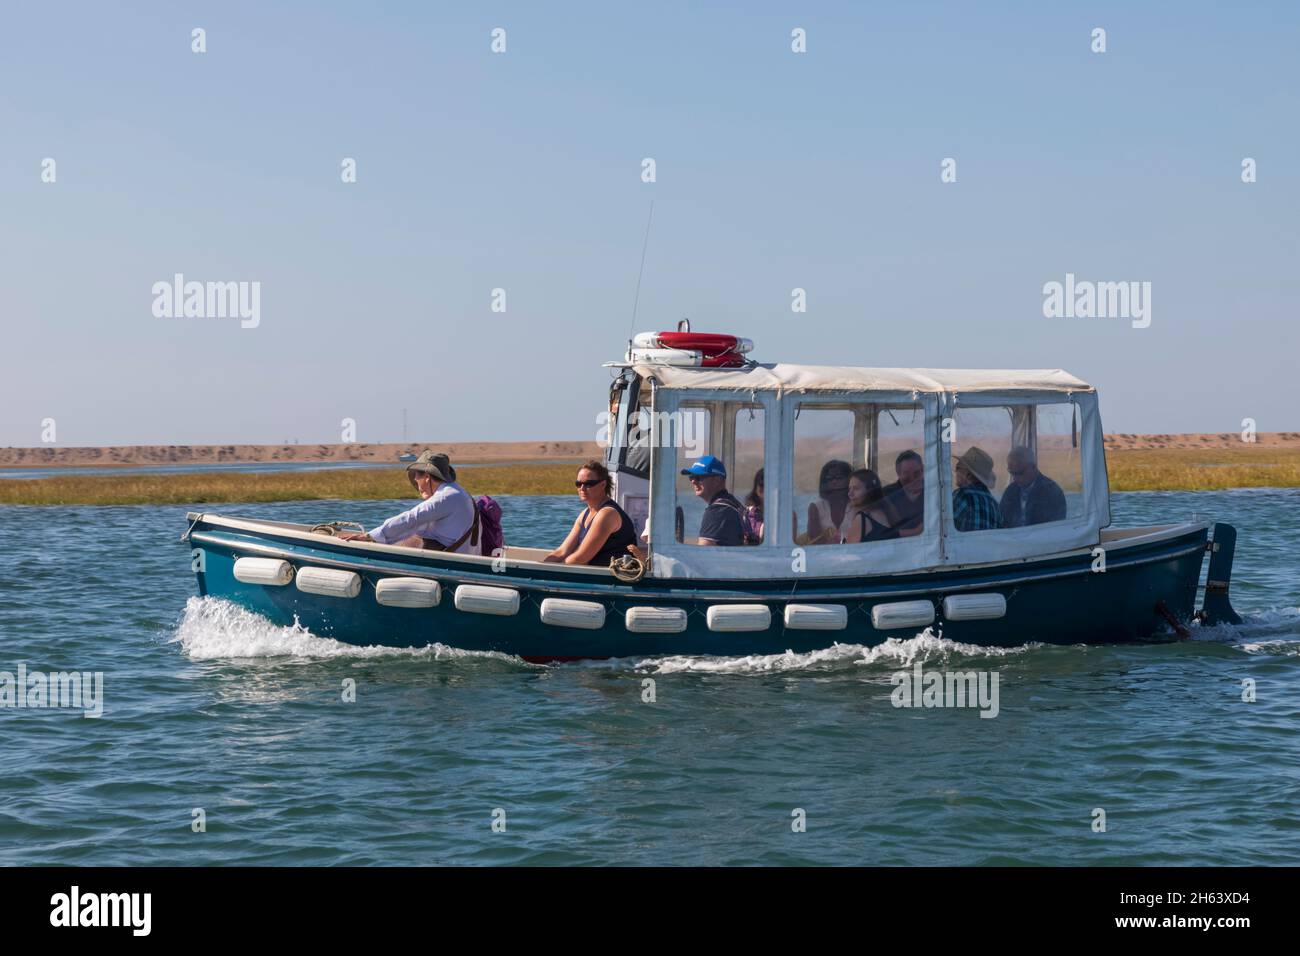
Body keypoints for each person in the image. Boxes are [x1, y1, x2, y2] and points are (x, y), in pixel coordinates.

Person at [340, 451, 478, 552]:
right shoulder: (456, 491)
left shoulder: (445, 497)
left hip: (444, 560)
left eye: (417, 475)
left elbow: (411, 518)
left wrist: (370, 536)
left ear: (427, 477)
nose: (416, 480)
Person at [545, 460, 638, 566]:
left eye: (589, 484)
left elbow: (581, 557)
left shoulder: (607, 514)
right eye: (578, 484)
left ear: (603, 484)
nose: (582, 488)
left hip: (613, 577)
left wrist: (553, 570)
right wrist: (542, 566)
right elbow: (562, 551)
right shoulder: (585, 514)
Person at [681, 455, 745, 546]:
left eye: (698, 477)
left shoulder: (717, 511)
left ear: (717, 480)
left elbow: (703, 554)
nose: (693, 481)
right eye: (691, 477)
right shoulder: (732, 503)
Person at [1000, 446, 1068, 527]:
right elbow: (1002, 522)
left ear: (1033, 467)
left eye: (1020, 473)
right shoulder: (1010, 491)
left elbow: (1055, 527)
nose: (1015, 478)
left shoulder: (1052, 492)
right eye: (1012, 473)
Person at [952, 447, 1004, 532]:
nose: (955, 471)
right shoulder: (995, 505)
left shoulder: (961, 496)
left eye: (958, 467)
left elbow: (941, 526)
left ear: (968, 475)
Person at [841, 468, 899, 543]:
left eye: (856, 488)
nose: (850, 494)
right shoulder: (889, 512)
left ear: (870, 490)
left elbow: (850, 552)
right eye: (849, 489)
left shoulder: (861, 519)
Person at [805, 459, 852, 545]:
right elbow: (815, 542)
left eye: (839, 478)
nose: (834, 482)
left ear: (850, 481)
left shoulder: (857, 506)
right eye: (829, 479)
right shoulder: (815, 508)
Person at [881, 450, 925, 537]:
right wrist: (916, 531)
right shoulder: (885, 495)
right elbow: (880, 533)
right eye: (906, 474)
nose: (913, 479)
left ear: (922, 470)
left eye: (916, 473)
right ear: (898, 474)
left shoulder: (934, 492)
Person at [745, 468, 765, 543]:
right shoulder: (748, 513)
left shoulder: (787, 515)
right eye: (761, 484)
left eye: (768, 484)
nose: (765, 488)